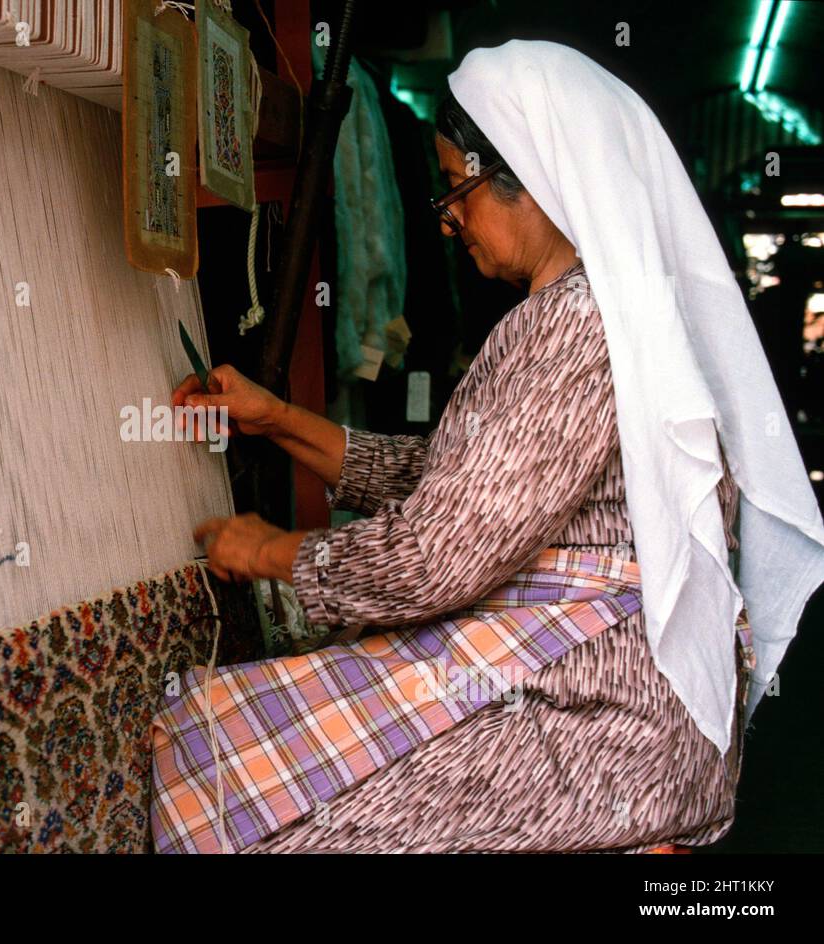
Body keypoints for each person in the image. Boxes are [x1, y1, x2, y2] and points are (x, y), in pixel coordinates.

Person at [150, 40, 824, 854]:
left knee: (252, 793)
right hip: (621, 714)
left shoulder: (574, 328)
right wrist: (282, 422)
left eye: (456, 189)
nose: (447, 216)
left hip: (604, 730)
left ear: (534, 178)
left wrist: (276, 553)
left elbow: (438, 555)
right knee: (237, 741)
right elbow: (450, 482)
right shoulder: (607, 316)